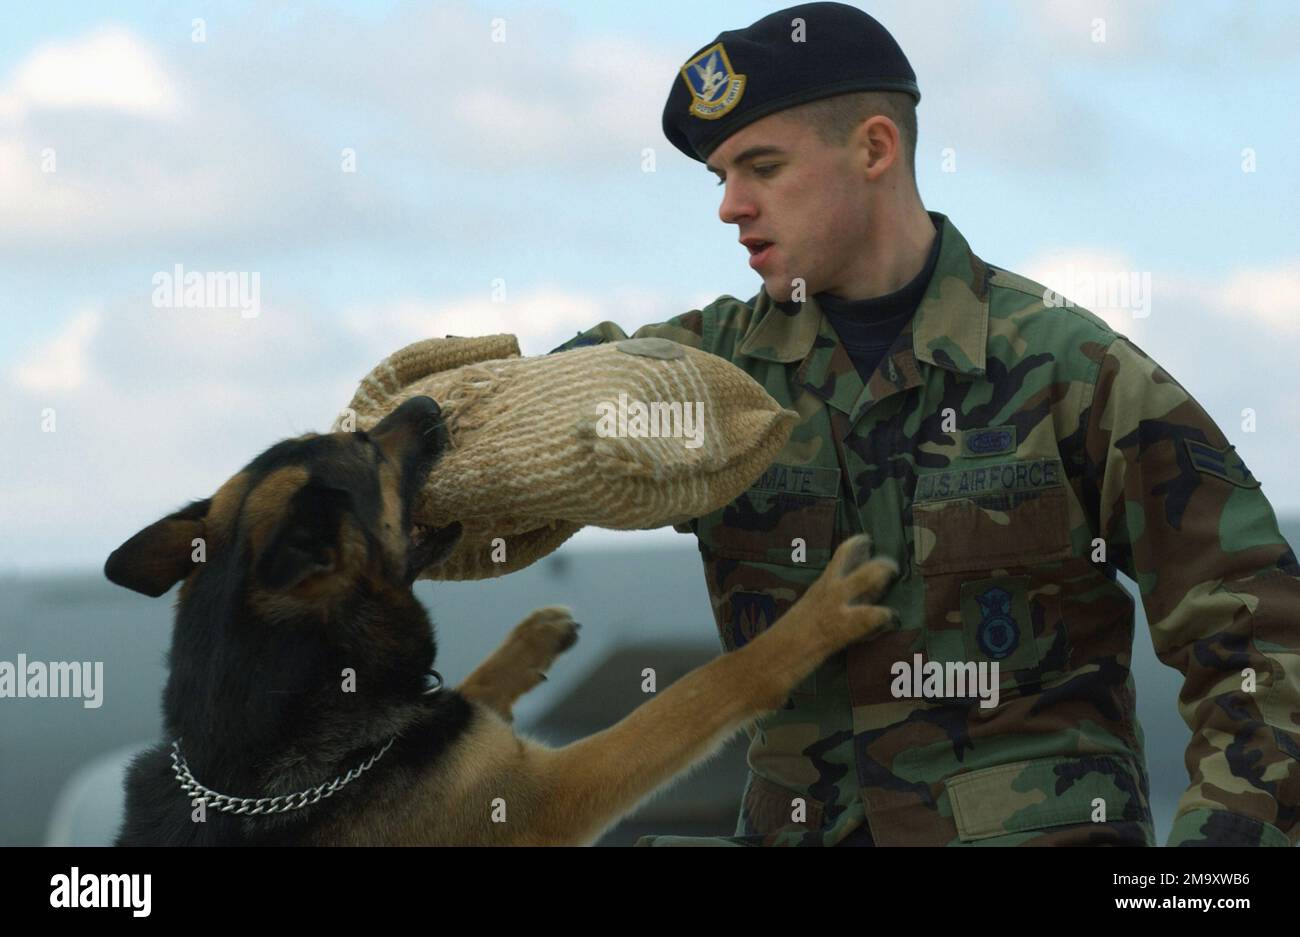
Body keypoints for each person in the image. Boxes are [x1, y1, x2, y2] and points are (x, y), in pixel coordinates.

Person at [549, 2, 1300, 846]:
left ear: (875, 148)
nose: (730, 206)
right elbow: (512, 431)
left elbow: (1260, 641)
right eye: (721, 176)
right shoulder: (709, 376)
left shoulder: (1069, 372)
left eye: (761, 167)